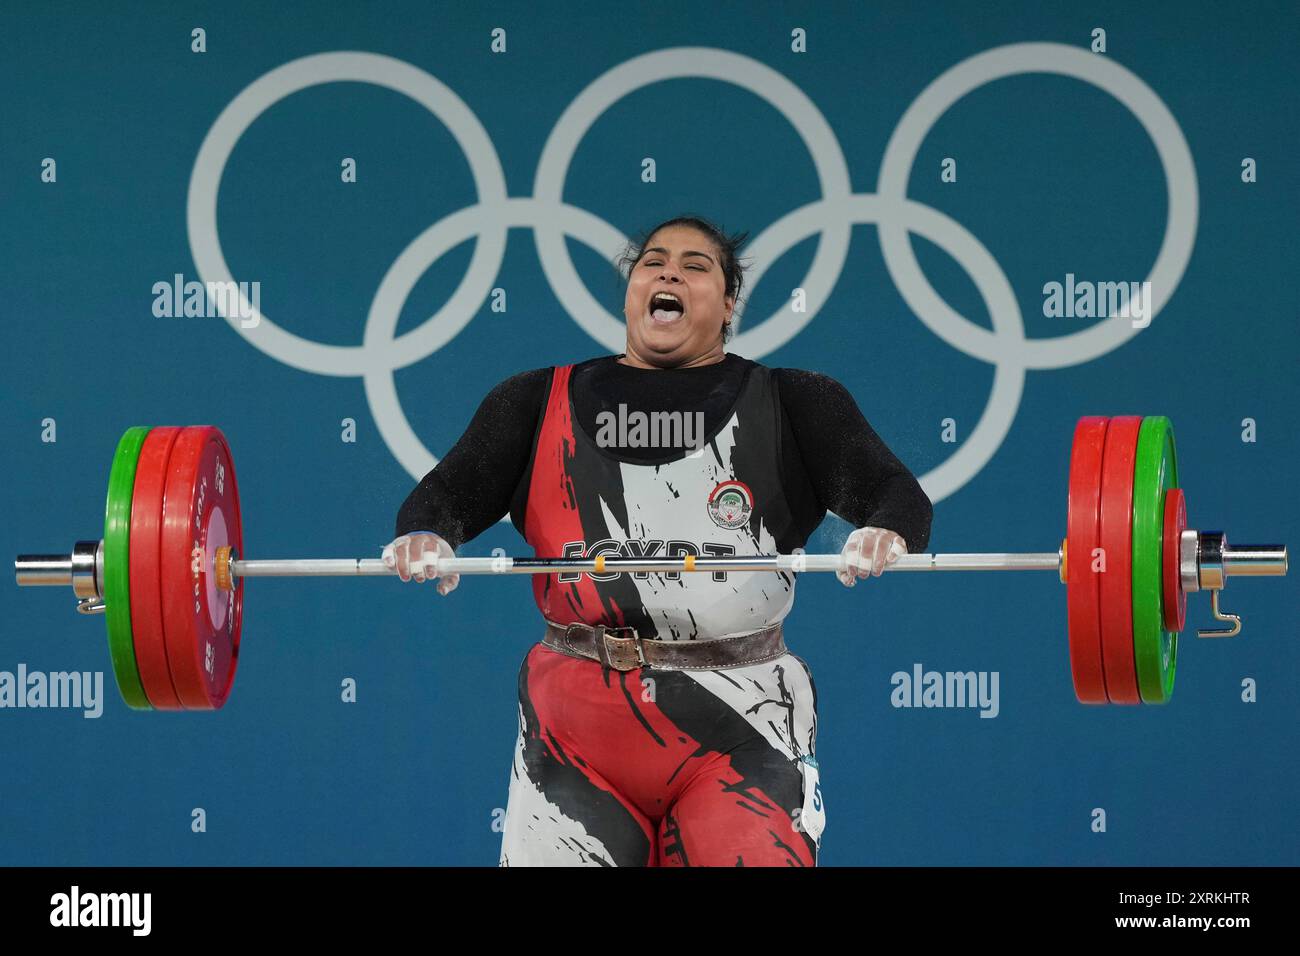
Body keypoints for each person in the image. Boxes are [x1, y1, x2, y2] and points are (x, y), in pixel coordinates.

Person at [384, 215, 932, 866]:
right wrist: (426, 536)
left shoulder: (796, 402)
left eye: (697, 266)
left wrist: (884, 531)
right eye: (653, 262)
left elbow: (895, 492)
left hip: (742, 721)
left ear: (729, 305)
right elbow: (444, 497)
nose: (670, 271)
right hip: (575, 731)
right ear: (632, 292)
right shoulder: (532, 400)